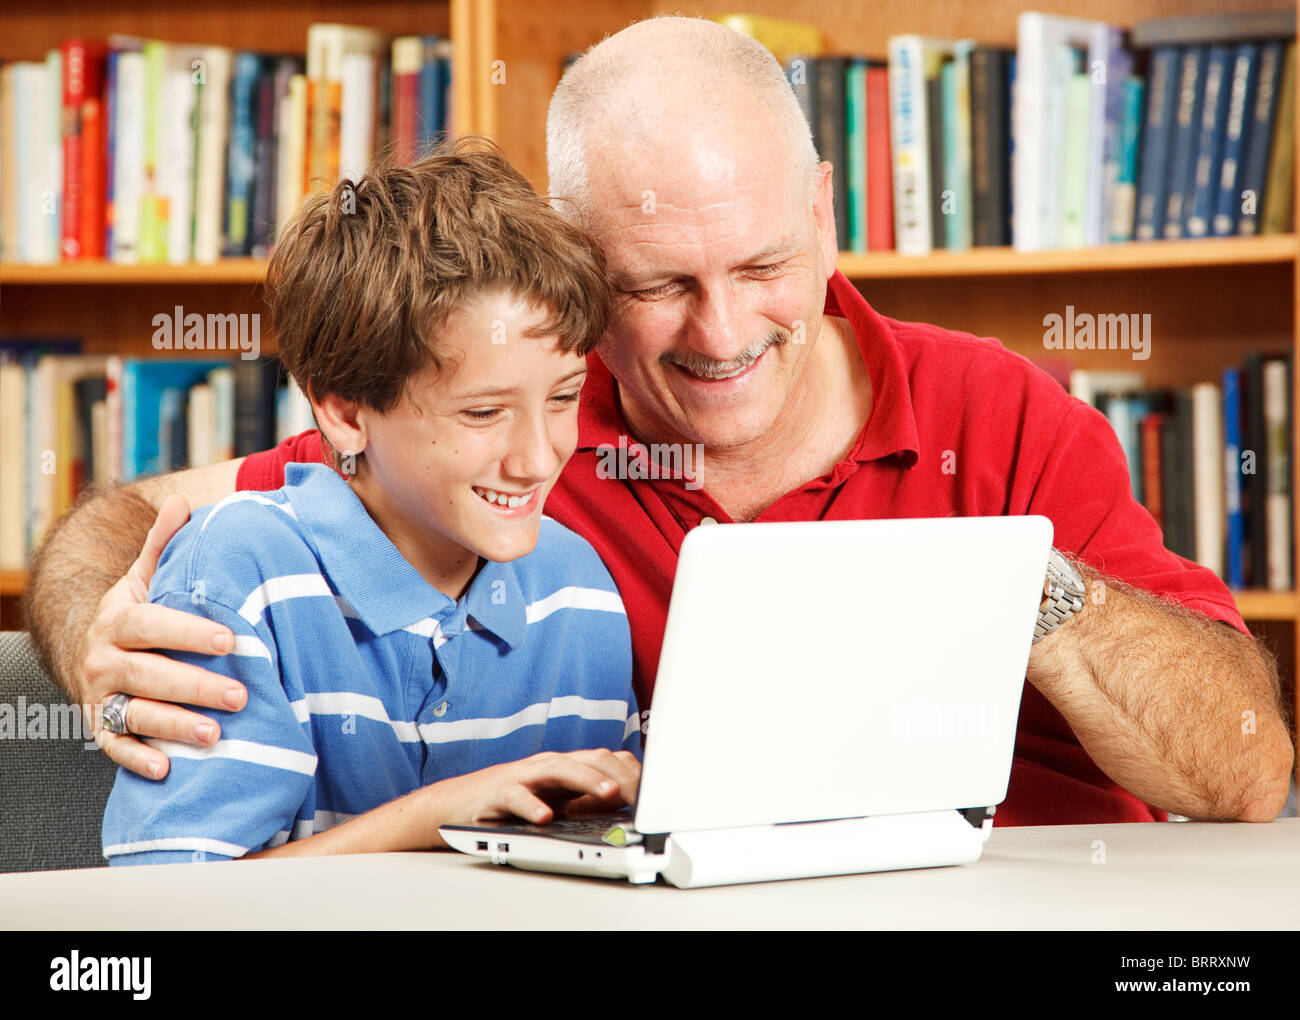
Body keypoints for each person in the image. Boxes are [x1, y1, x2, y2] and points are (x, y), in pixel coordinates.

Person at [30, 17, 1292, 827]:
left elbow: (1246, 776)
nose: (722, 330)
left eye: (762, 265)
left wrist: (1031, 586)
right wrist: (100, 631)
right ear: (576, 272)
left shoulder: (998, 412)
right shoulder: (509, 442)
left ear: (824, 211)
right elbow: (130, 516)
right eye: (654, 286)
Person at [98, 140, 642, 864]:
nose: (539, 459)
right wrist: (434, 817)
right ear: (347, 414)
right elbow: (168, 902)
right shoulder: (240, 576)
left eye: (564, 399)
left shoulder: (579, 589)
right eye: (482, 414)